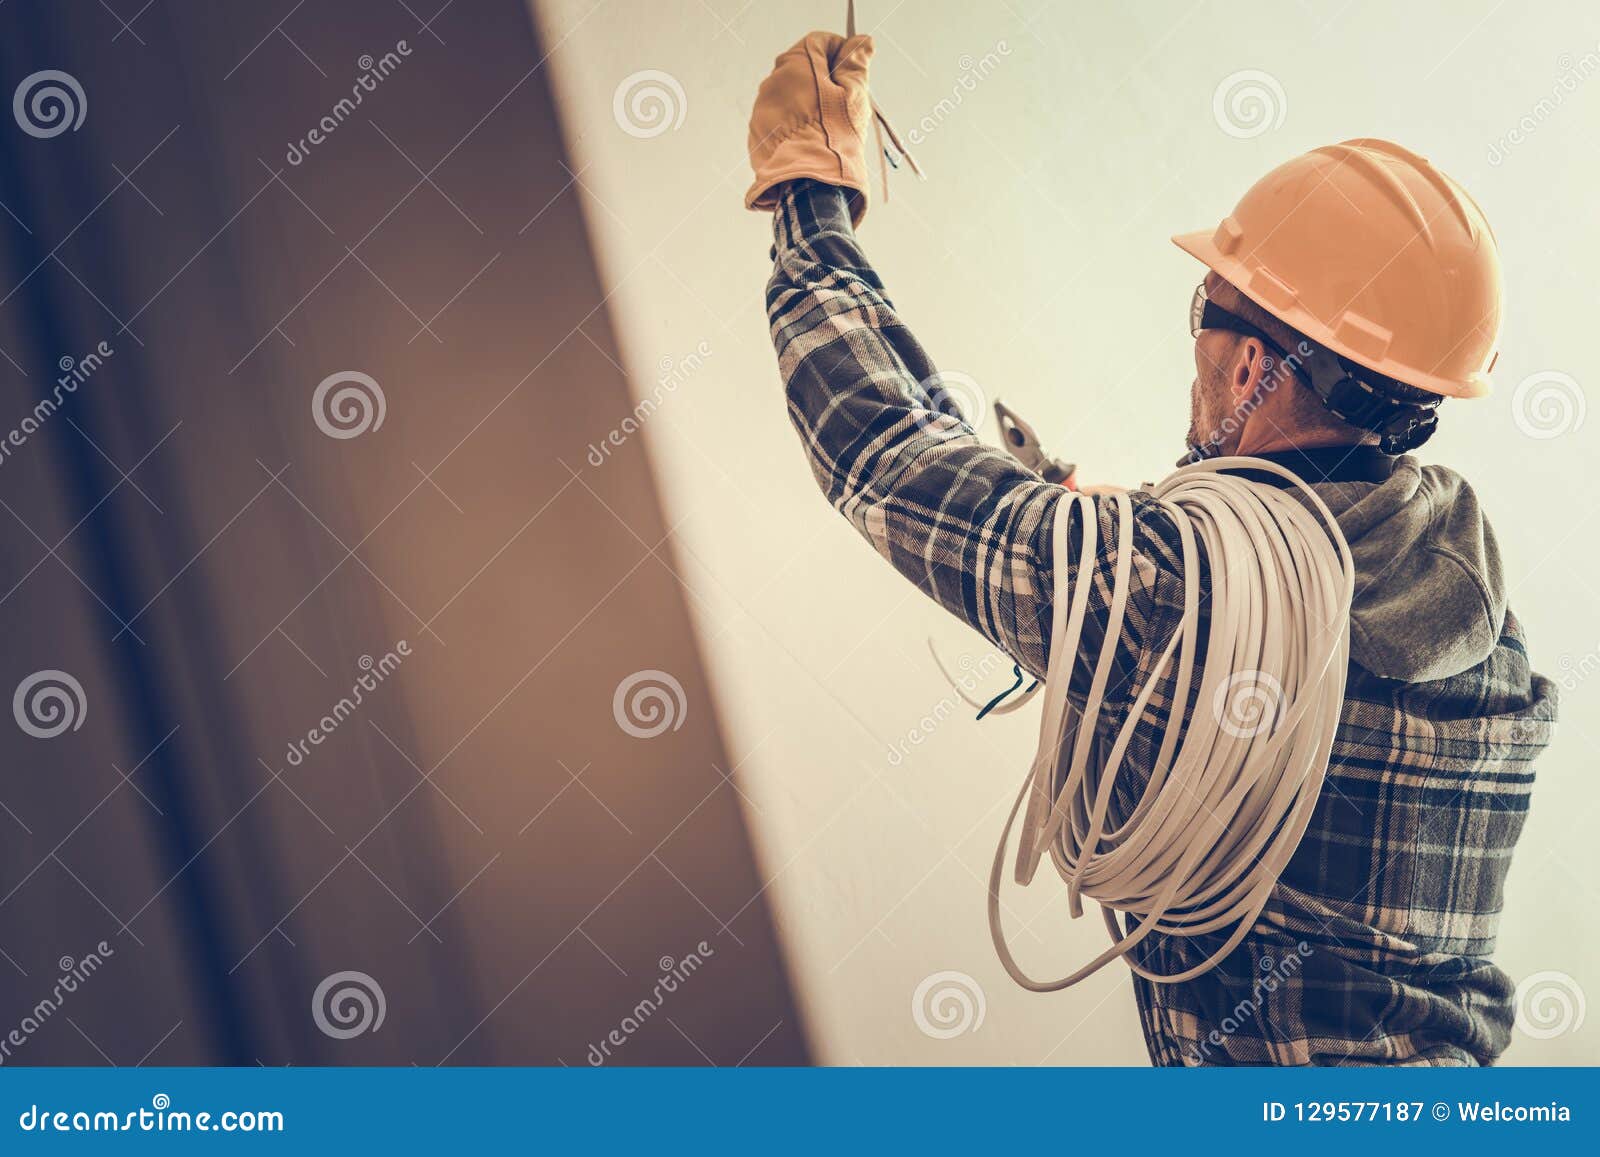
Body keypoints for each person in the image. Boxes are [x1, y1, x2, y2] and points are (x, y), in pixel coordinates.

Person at [745, 31, 1558, 1065]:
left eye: (1203, 318)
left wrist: (809, 195)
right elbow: (1270, 622)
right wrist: (1115, 548)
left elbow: (876, 444)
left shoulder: (1162, 597)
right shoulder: (1495, 653)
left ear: (1250, 361)